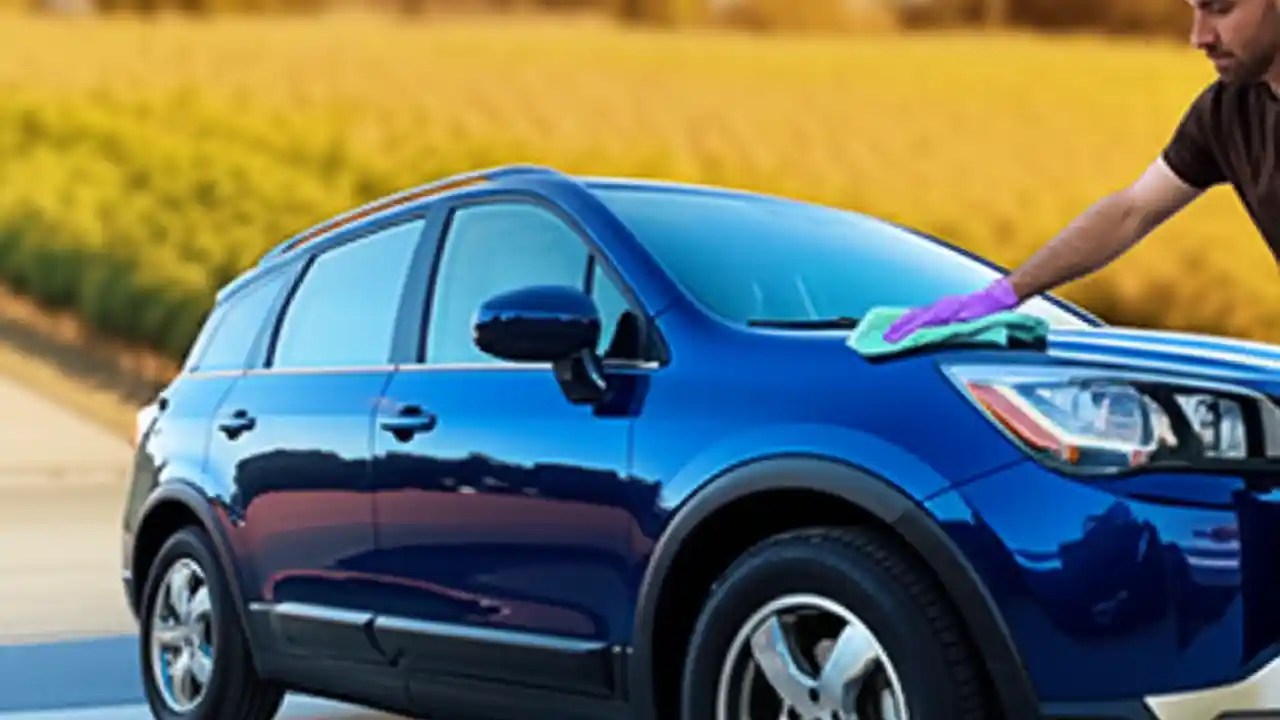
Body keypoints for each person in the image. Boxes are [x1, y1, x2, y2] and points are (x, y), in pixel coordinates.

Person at [884, 0, 1280, 343]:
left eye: (1220, 8)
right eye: (1194, 9)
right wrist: (1003, 294)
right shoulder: (1226, 113)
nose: (1199, 37)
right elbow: (1131, 211)